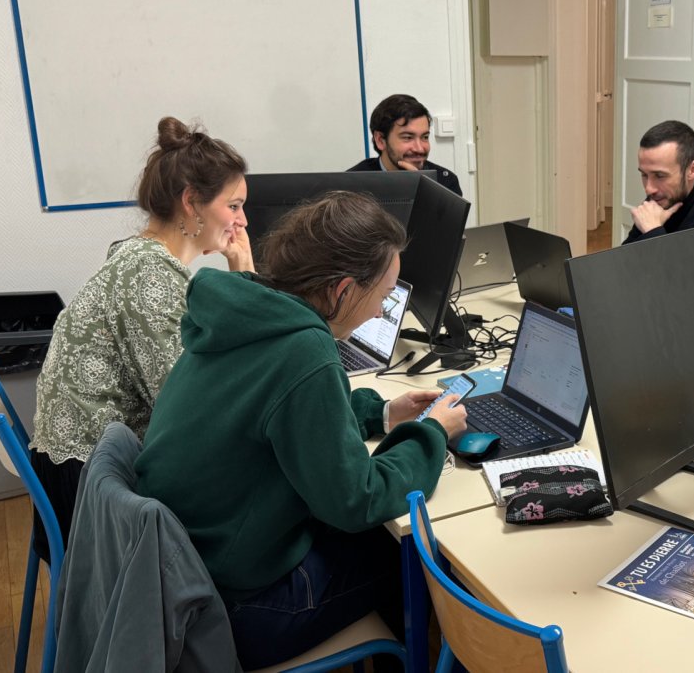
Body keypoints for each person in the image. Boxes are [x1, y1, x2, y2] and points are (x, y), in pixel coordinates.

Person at [134, 190, 467, 669]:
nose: (380, 314)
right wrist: (432, 432)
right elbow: (359, 499)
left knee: (371, 539)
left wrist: (382, 415)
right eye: (383, 297)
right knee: (409, 552)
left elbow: (276, 415)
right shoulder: (303, 350)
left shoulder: (244, 312)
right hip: (236, 610)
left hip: (188, 574)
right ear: (342, 290)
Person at [30, 116, 250, 562]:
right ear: (192, 202)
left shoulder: (139, 254)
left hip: (82, 472)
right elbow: (184, 411)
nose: (242, 221)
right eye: (235, 206)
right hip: (91, 493)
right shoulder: (148, 274)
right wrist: (245, 276)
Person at [348, 93, 463, 196]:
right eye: (408, 137)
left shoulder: (445, 182)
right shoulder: (350, 186)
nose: (419, 148)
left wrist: (421, 188)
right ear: (380, 140)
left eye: (425, 137)